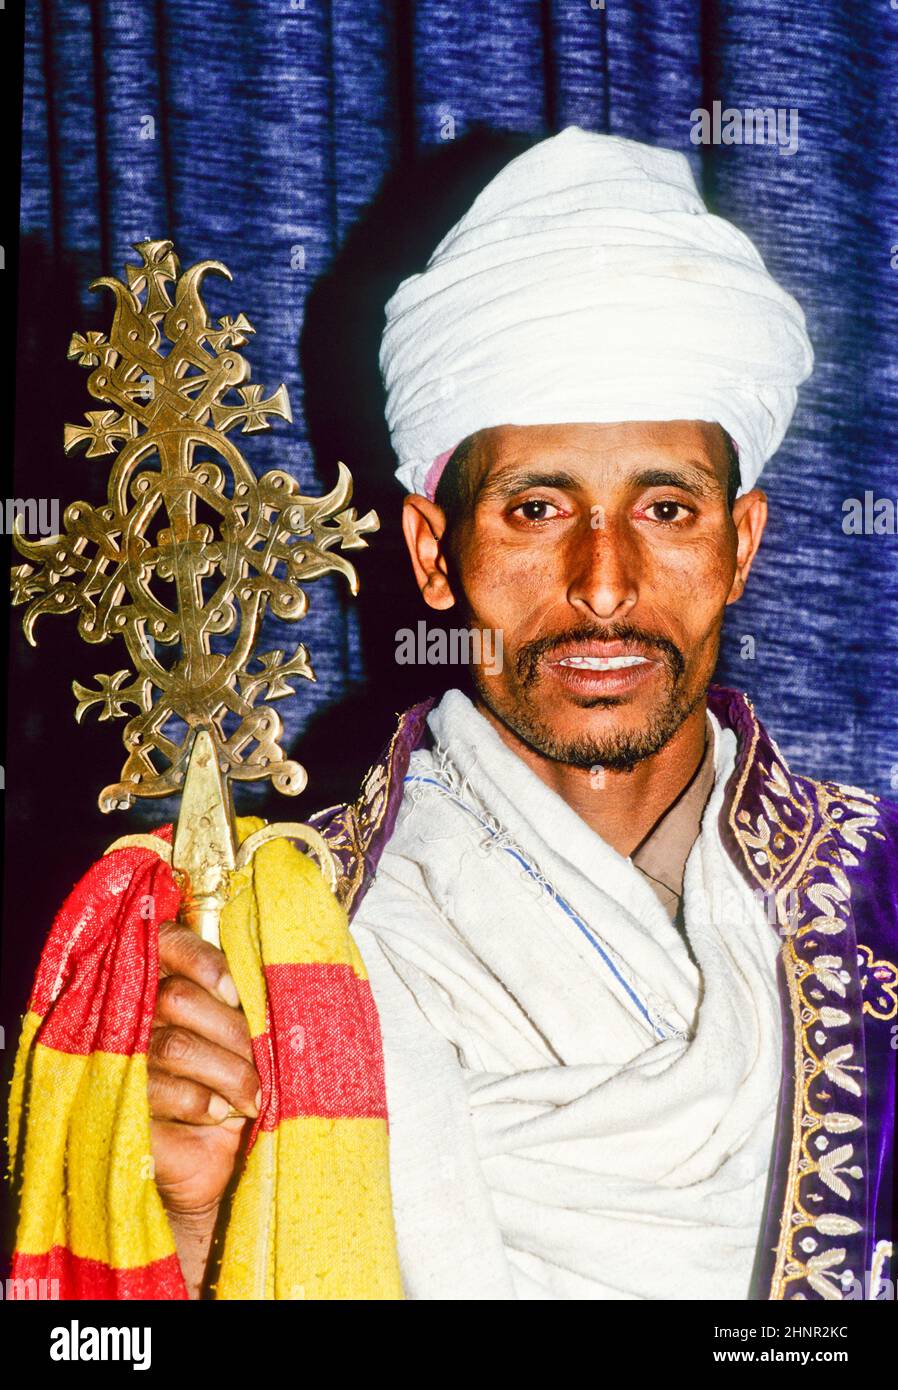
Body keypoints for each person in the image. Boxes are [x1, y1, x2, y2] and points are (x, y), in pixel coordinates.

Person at [147, 129, 897, 1301]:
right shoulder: (289, 938)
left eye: (664, 508)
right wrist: (197, 1225)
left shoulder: (876, 909)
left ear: (739, 544)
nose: (603, 584)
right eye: (539, 508)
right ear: (435, 553)